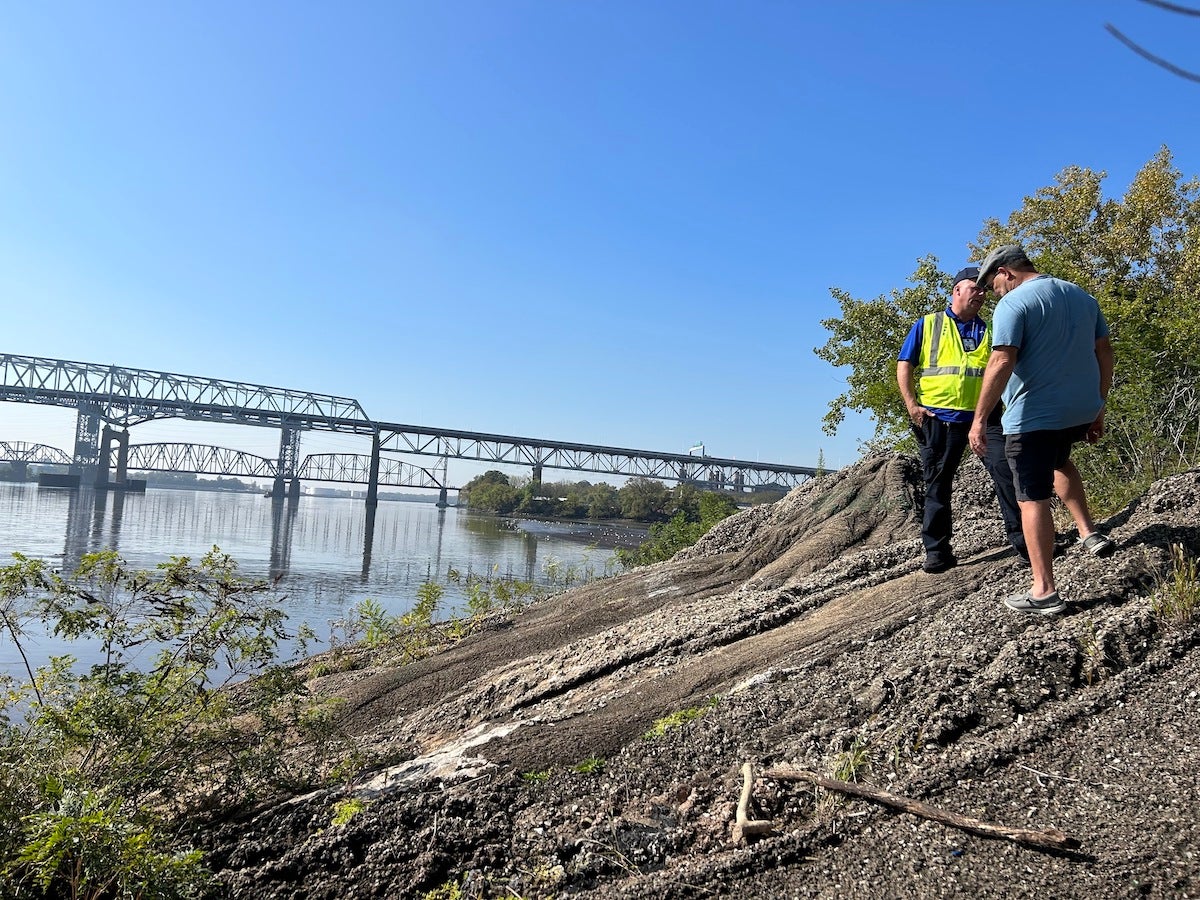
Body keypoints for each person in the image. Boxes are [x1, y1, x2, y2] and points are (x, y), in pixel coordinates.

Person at [967, 244, 1116, 616]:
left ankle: (1044, 591)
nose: (992, 293)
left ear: (1006, 272)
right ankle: (1088, 532)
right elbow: (1104, 351)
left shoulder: (1014, 304)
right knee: (1060, 462)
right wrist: (1098, 404)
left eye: (992, 284)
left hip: (1033, 417)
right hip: (1078, 411)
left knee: (1030, 497)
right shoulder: (1081, 296)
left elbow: (1002, 359)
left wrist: (980, 419)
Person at [897, 266, 1027, 574]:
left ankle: (1026, 544)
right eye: (975, 288)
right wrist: (912, 405)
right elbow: (904, 364)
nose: (981, 294)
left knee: (1008, 474)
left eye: (984, 289)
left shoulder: (991, 329)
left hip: (986, 417)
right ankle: (937, 553)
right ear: (957, 291)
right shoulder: (929, 324)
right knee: (938, 486)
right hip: (939, 418)